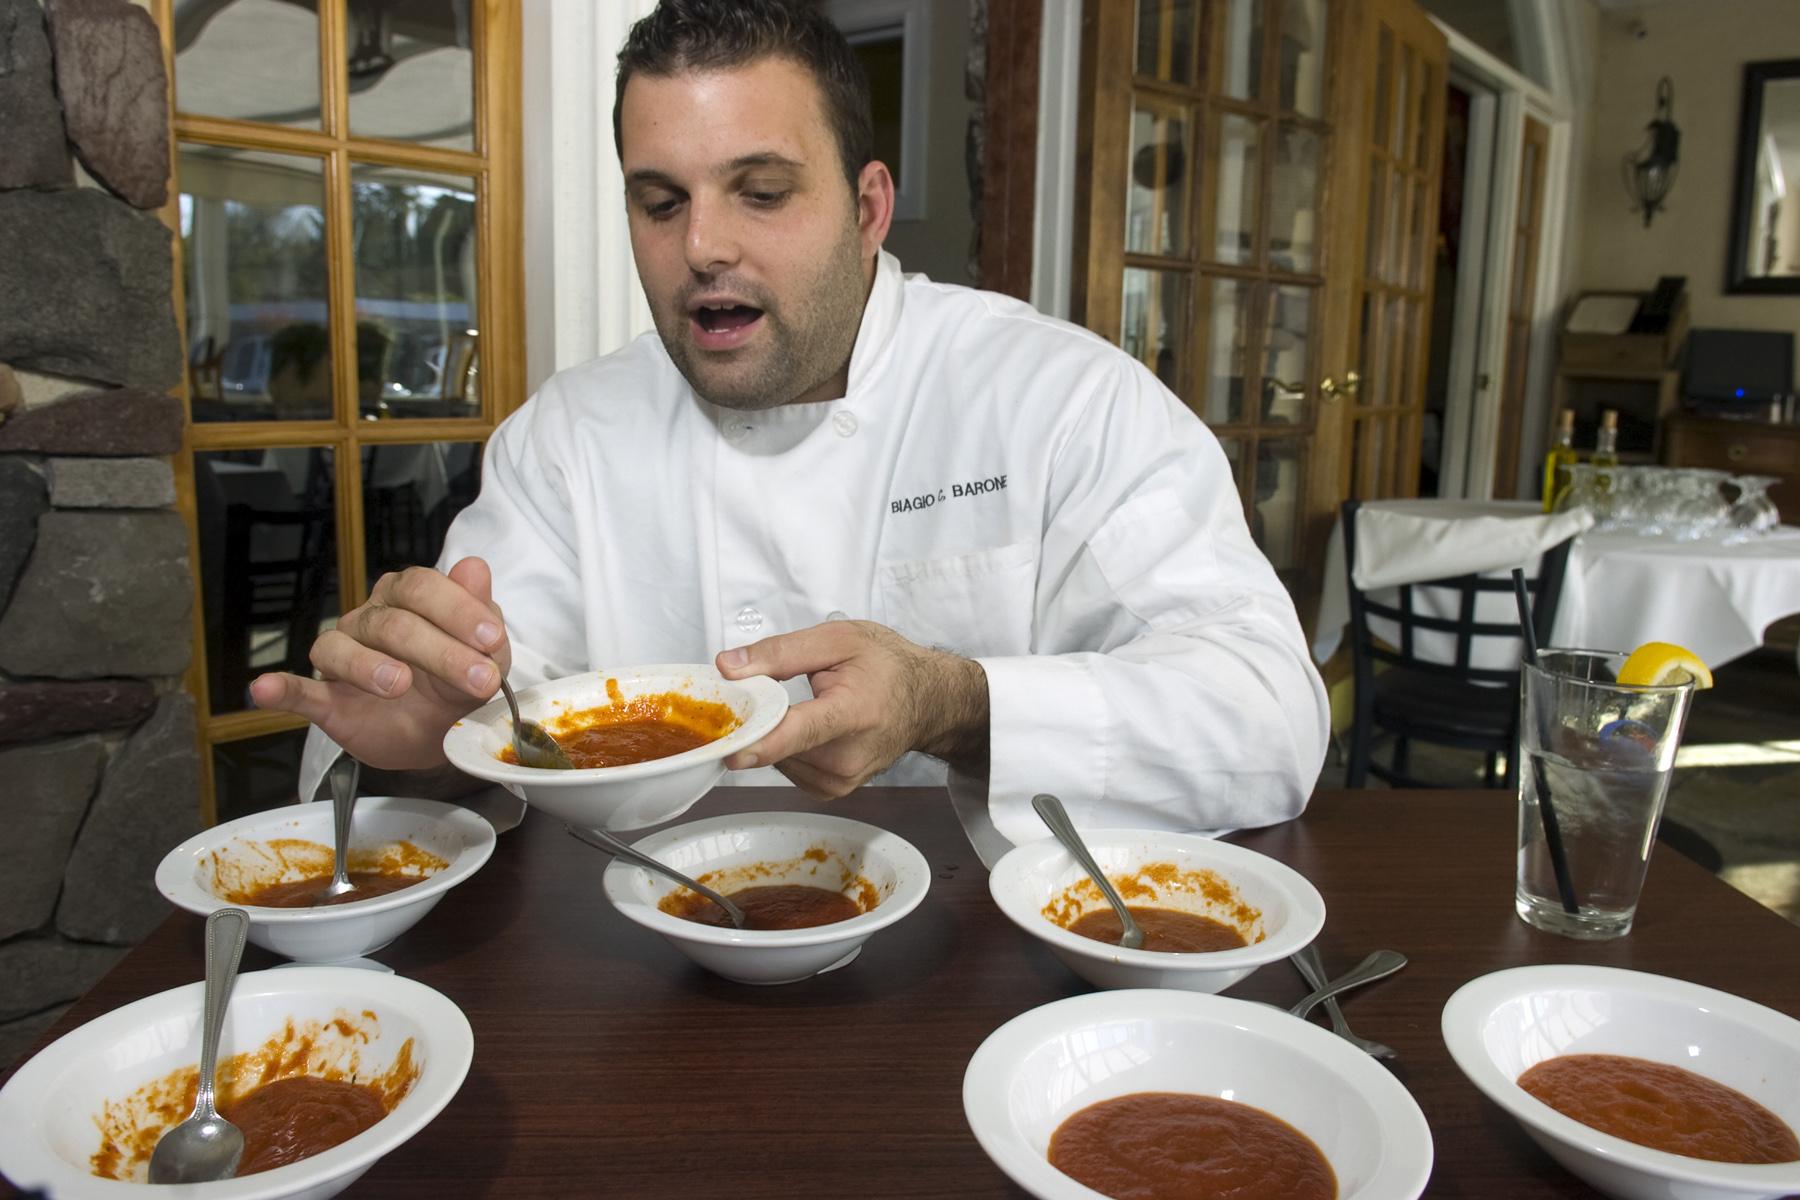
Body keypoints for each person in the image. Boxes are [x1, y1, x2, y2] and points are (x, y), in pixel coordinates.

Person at [251, 0, 1329, 865]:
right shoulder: (564, 441)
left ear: (868, 211)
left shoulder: (1059, 398)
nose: (704, 246)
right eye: (660, 203)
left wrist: (953, 702)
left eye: (761, 192)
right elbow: (467, 721)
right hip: (634, 969)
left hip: (987, 974)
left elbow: (1269, 720)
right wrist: (426, 742)